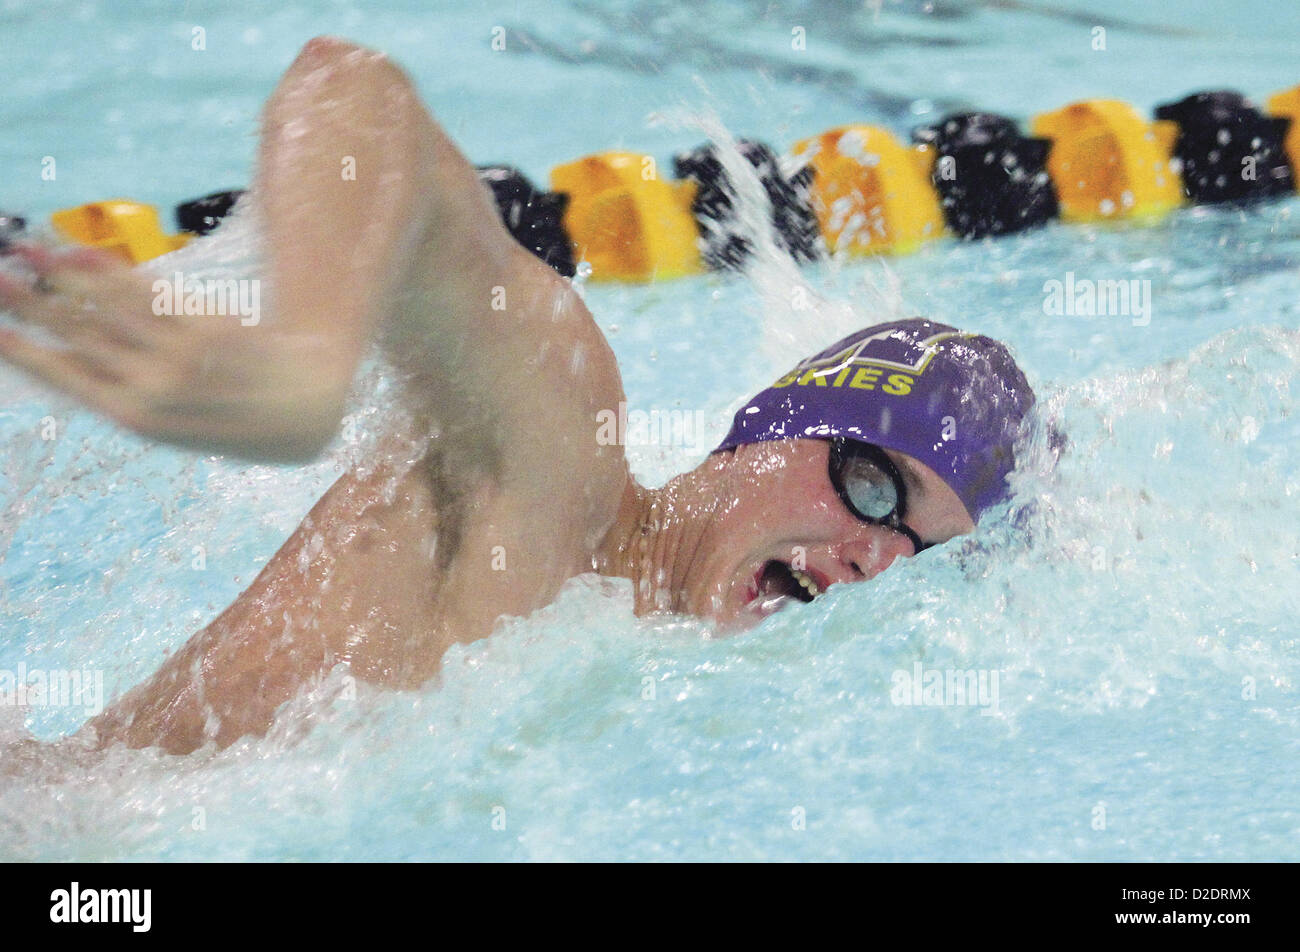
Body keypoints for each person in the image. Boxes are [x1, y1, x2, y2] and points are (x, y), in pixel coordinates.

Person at [0, 37, 1034, 755]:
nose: (875, 560)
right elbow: (355, 97)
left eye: (922, 559)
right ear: (759, 436)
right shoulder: (554, 470)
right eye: (869, 486)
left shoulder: (658, 702)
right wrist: (298, 364)